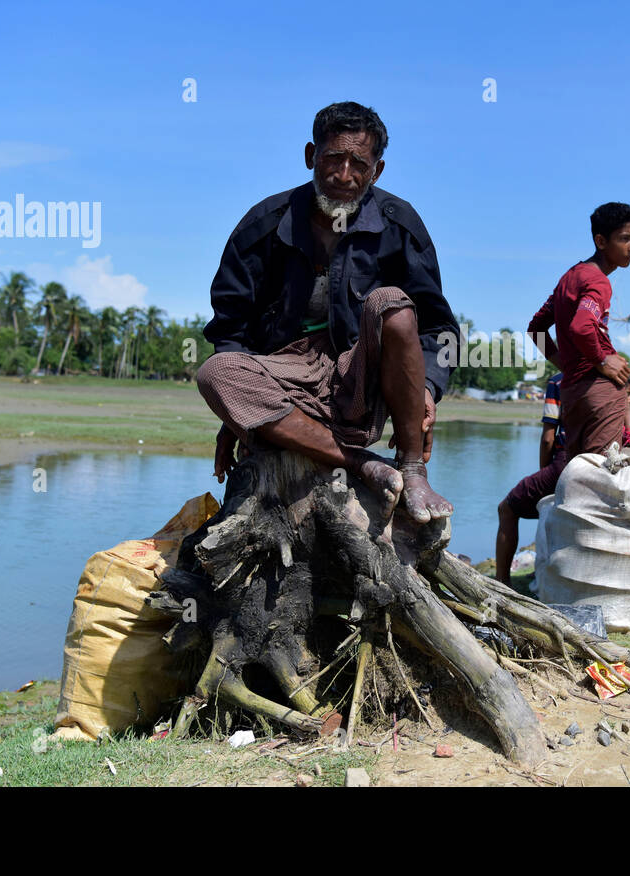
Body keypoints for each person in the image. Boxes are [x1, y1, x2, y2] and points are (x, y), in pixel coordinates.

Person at [196, 102, 458, 523]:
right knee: (215, 371)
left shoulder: (400, 224)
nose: (344, 175)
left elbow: (438, 327)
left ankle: (411, 468)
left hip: (357, 385)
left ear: (378, 171)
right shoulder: (264, 225)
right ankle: (361, 463)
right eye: (333, 158)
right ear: (309, 157)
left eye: (359, 163)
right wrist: (235, 418)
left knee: (392, 305)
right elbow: (231, 330)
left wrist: (426, 389)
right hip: (285, 381)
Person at [527, 203, 630, 461]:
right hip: (599, 394)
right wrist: (602, 361)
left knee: (579, 476)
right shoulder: (598, 281)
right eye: (625, 239)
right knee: (603, 478)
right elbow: (581, 326)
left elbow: (536, 329)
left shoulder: (570, 278)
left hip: (573, 394)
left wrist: (567, 365)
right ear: (601, 241)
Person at [494, 372, 566, 583]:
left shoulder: (560, 380)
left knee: (506, 508)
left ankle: (502, 581)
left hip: (566, 461)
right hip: (601, 460)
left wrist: (545, 471)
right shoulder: (611, 379)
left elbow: (547, 438)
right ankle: (543, 568)